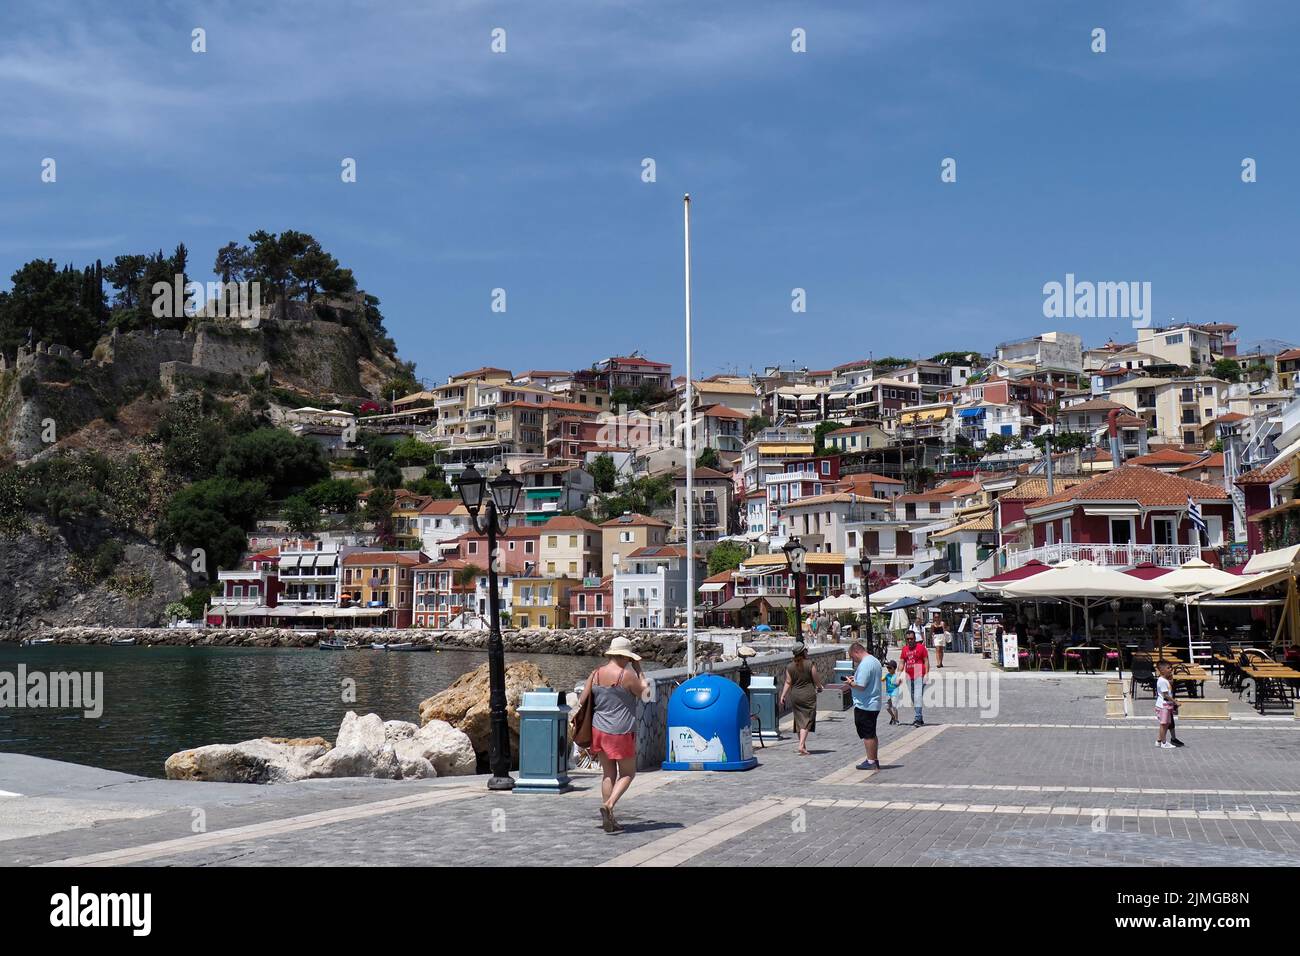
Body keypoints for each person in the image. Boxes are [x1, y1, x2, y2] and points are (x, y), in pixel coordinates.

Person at [576, 636, 647, 833]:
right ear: (626, 656)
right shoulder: (627, 675)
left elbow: (582, 699)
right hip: (621, 731)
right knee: (628, 773)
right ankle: (609, 805)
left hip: (599, 730)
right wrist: (639, 669)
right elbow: (646, 694)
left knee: (608, 774)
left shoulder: (596, 673)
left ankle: (611, 817)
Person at [843, 641, 883, 769]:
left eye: (852, 657)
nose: (853, 660)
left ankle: (871, 761)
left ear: (857, 651)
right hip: (873, 702)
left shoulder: (865, 664)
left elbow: (861, 685)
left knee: (868, 734)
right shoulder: (874, 661)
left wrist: (850, 683)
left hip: (866, 704)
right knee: (871, 732)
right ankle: (874, 759)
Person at [779, 641, 823, 755]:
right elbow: (816, 679)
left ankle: (802, 745)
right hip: (808, 695)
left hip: (795, 696)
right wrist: (819, 687)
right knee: (807, 720)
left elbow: (788, 682)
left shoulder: (790, 666)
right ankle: (801, 745)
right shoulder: (810, 664)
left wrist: (783, 695)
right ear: (803, 652)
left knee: (799, 720)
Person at [899, 631, 929, 727]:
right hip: (909, 675)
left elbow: (926, 661)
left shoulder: (921, 648)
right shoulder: (904, 649)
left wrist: (927, 673)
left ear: (915, 639)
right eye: (908, 639)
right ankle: (919, 717)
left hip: (919, 672)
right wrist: (898, 674)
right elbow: (902, 662)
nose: (910, 640)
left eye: (911, 638)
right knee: (913, 697)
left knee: (917, 696)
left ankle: (918, 718)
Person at [1155, 660, 1179, 750]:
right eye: (1168, 668)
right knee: (1163, 724)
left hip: (1166, 705)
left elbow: (1169, 687)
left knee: (1166, 724)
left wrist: (1171, 678)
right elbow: (1166, 695)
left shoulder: (1165, 680)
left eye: (1170, 667)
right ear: (1162, 670)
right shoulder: (1162, 681)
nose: (1171, 669)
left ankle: (1159, 741)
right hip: (1163, 706)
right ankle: (1164, 743)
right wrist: (1175, 702)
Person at [883, 660, 902, 725]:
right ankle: (893, 717)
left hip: (894, 693)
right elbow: (882, 679)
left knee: (894, 706)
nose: (888, 669)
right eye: (887, 668)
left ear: (894, 668)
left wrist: (899, 683)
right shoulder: (887, 675)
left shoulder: (896, 676)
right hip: (888, 693)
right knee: (887, 707)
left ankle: (896, 720)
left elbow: (899, 683)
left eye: (890, 668)